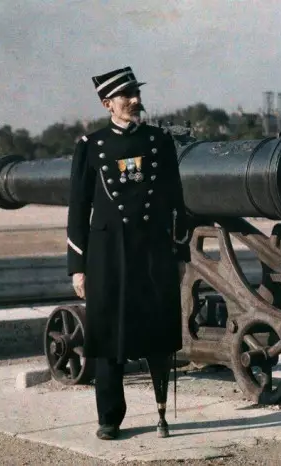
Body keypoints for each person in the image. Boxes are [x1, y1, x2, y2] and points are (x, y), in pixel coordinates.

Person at [66, 66, 191, 440]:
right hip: (107, 256)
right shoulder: (91, 145)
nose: (135, 100)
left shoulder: (160, 141)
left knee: (156, 331)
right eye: (126, 95)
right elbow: (78, 208)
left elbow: (176, 202)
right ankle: (109, 417)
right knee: (107, 337)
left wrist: (180, 253)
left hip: (152, 253)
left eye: (135, 92)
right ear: (108, 104)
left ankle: (161, 410)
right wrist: (78, 266)